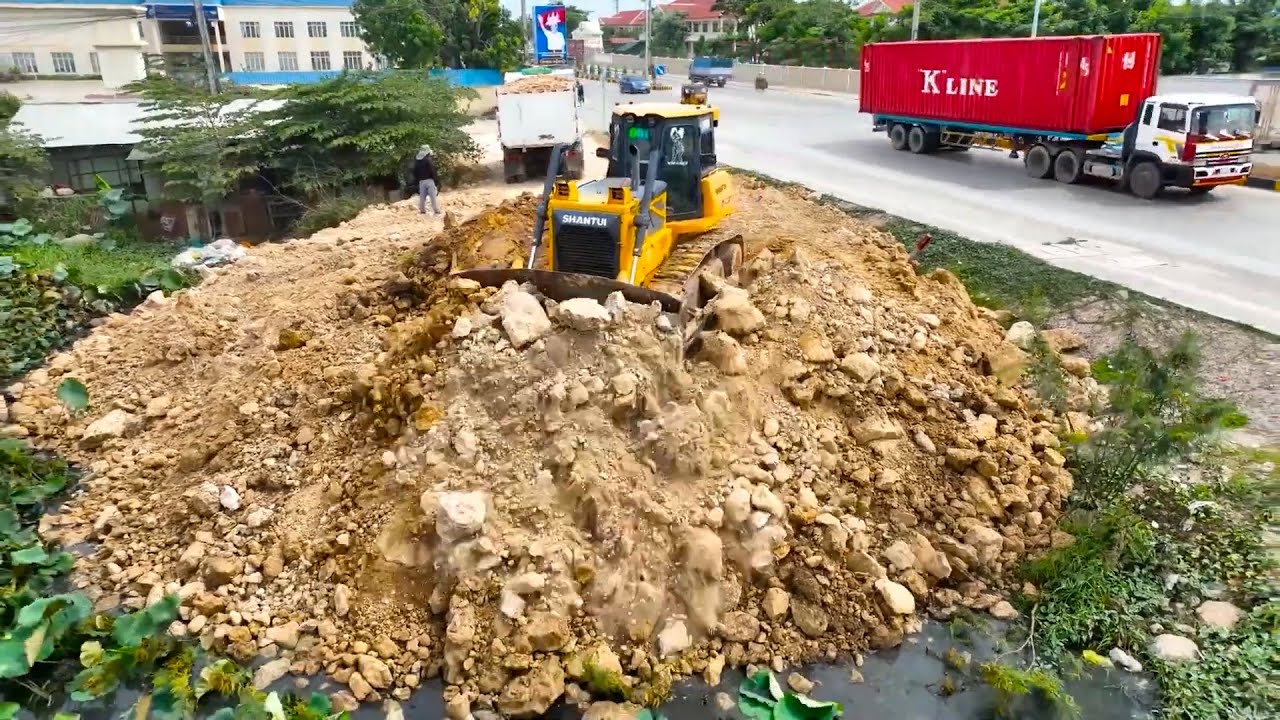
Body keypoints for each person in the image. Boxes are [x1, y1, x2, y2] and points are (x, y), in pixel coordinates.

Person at [413, 145, 441, 216]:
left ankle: (422, 210)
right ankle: (436, 210)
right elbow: (432, 171)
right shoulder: (428, 160)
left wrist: (417, 181)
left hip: (421, 181)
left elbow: (415, 172)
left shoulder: (417, 161)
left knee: (422, 197)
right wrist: (436, 181)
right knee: (433, 196)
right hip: (429, 180)